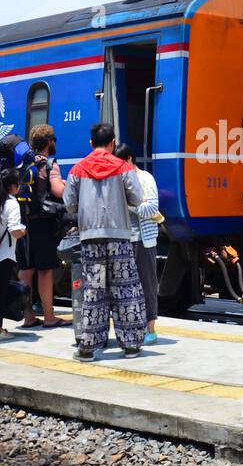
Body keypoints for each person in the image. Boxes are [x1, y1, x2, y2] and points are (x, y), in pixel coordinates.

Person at [62, 123, 146, 361]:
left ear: (91, 143)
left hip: (90, 238)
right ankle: (130, 346)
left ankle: (88, 348)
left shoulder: (78, 169)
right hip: (119, 236)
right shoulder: (122, 167)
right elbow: (138, 198)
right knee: (125, 289)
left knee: (94, 291)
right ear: (112, 143)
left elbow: (69, 204)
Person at [16, 124, 69, 329]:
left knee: (26, 269)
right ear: (48, 142)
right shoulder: (50, 164)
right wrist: (66, 185)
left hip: (23, 221)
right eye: (54, 139)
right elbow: (57, 192)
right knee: (45, 270)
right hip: (43, 223)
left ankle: (27, 315)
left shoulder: (24, 162)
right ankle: (49, 316)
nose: (55, 142)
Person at [115, 144, 162, 345]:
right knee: (129, 287)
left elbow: (152, 208)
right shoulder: (121, 180)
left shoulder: (145, 178)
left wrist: (127, 205)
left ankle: (150, 327)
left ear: (130, 159)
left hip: (143, 240)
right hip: (126, 238)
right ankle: (134, 327)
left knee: (147, 284)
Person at [0, 167, 26, 343]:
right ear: (13, 186)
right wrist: (25, 230)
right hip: (3, 255)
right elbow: (15, 231)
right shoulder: (12, 203)